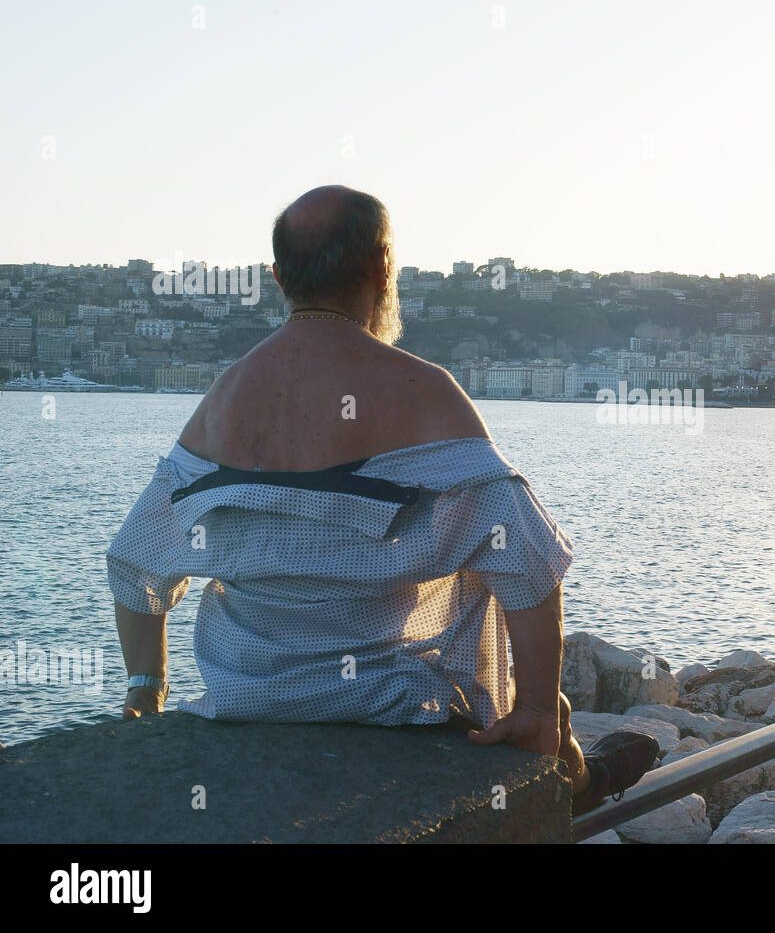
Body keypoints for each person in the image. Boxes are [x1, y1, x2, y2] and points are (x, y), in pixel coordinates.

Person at [106, 185, 656, 818]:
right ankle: (583, 786)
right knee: (545, 705)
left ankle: (586, 778)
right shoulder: (422, 392)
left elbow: (136, 565)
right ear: (383, 269)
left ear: (280, 276)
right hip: (397, 704)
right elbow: (527, 559)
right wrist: (532, 709)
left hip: (245, 703)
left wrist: (145, 689)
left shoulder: (225, 397)